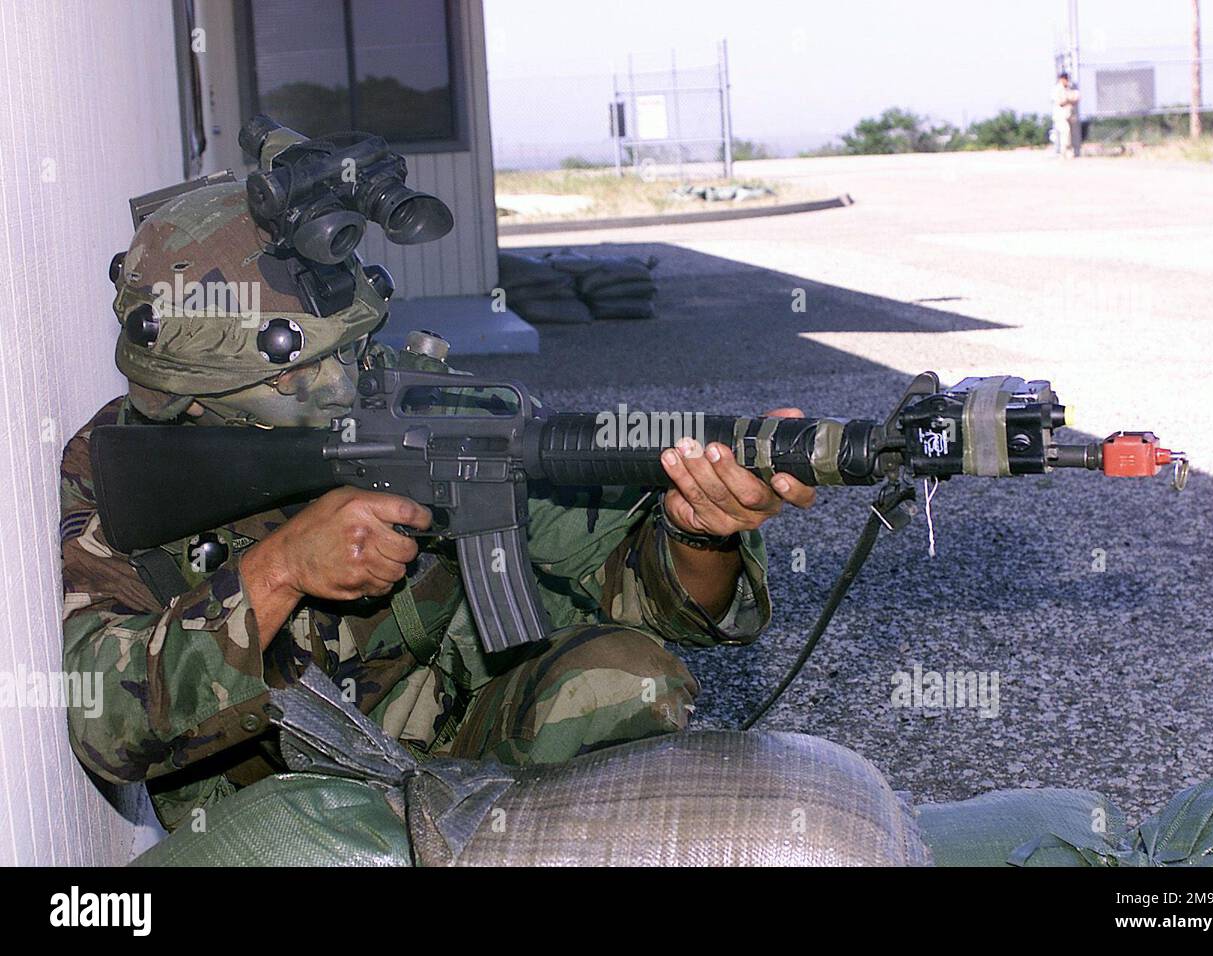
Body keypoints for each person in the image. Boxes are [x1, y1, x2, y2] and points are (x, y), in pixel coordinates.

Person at [60, 179, 814, 831]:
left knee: (621, 675)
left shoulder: (413, 400)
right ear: (187, 396)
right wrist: (281, 569)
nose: (340, 385)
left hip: (452, 749)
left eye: (347, 348)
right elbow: (107, 723)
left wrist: (696, 530)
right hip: (280, 810)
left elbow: (630, 582)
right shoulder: (117, 468)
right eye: (296, 374)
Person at [1052, 71, 1083, 159]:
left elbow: (1077, 97)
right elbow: (1061, 102)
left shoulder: (1069, 88)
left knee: (1070, 134)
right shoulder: (1057, 89)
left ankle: (1069, 152)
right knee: (1065, 132)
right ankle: (1063, 152)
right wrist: (1069, 99)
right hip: (1060, 116)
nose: (1066, 81)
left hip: (1069, 114)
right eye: (1064, 79)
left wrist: (1069, 99)